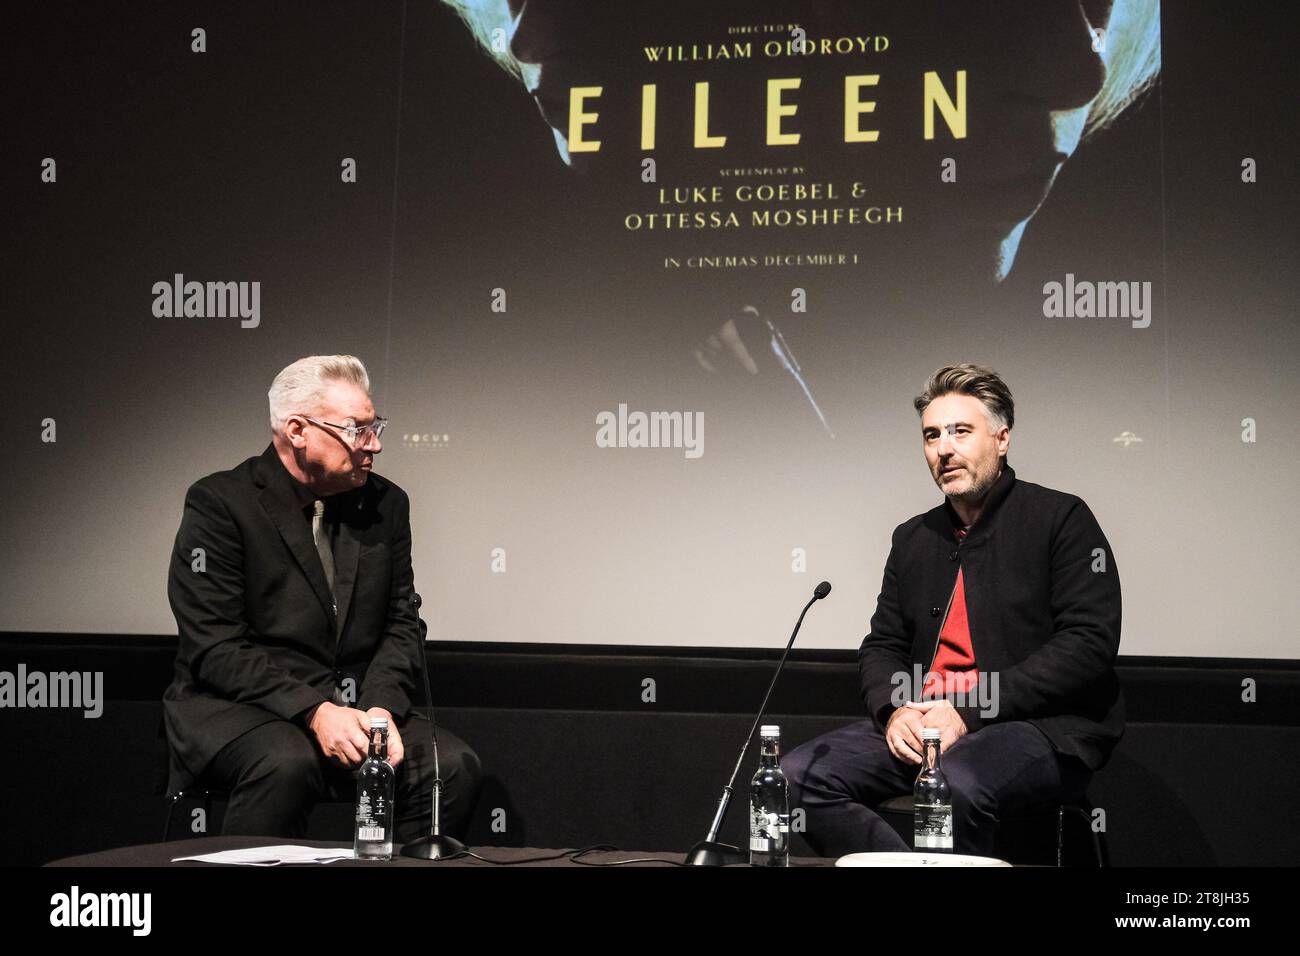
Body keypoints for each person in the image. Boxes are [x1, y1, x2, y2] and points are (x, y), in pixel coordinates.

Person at [783, 364, 1123, 856]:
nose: (944, 448)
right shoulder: (914, 537)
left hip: (1036, 727)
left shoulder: (1060, 518)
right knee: (798, 777)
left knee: (954, 785)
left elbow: (1087, 644)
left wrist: (968, 709)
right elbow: (883, 645)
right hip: (927, 724)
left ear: (1002, 439)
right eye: (931, 436)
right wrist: (892, 710)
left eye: (961, 431)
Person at [163, 355, 481, 842]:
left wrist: (379, 711)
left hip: (356, 706)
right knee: (287, 763)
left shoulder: (385, 505)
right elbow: (216, 648)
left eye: (376, 427)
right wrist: (315, 711)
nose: (373, 444)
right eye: (357, 430)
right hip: (245, 708)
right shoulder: (221, 505)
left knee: (451, 767)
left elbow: (402, 622)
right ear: (297, 430)